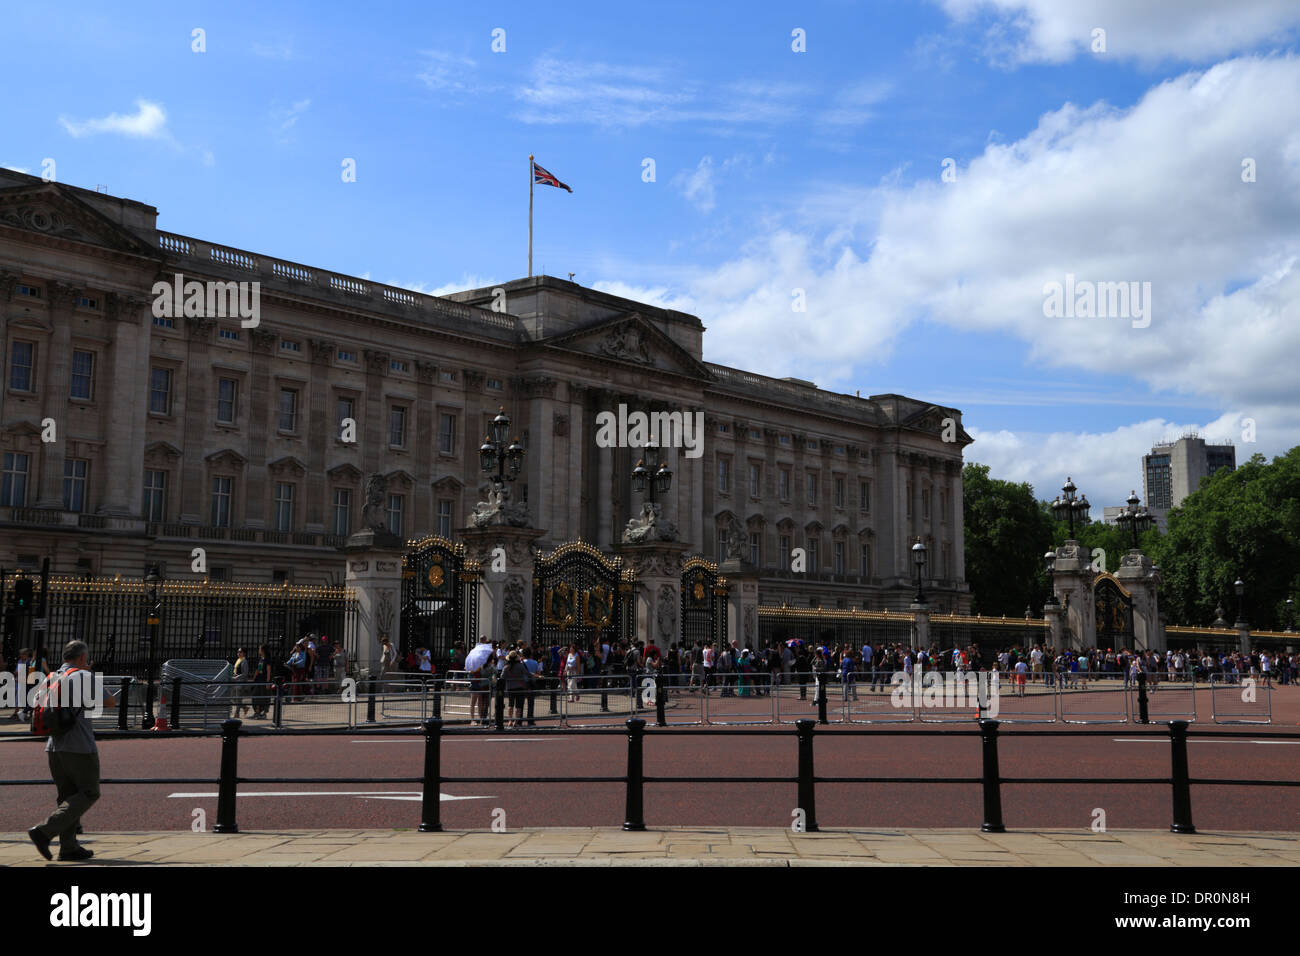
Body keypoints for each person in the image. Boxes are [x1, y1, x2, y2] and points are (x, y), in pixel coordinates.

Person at [28, 640, 115, 862]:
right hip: (79, 746)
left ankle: (68, 847)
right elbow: (110, 702)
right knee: (89, 792)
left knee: (67, 797)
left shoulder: (51, 677)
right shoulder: (84, 676)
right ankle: (44, 831)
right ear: (82, 658)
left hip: (54, 746)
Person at [230, 648, 251, 718]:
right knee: (233, 698)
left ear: (244, 653)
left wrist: (235, 678)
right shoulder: (239, 660)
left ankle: (237, 714)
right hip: (235, 682)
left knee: (238, 698)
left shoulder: (244, 661)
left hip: (240, 682)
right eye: (238, 652)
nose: (238, 653)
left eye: (240, 652)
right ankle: (244, 707)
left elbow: (245, 673)